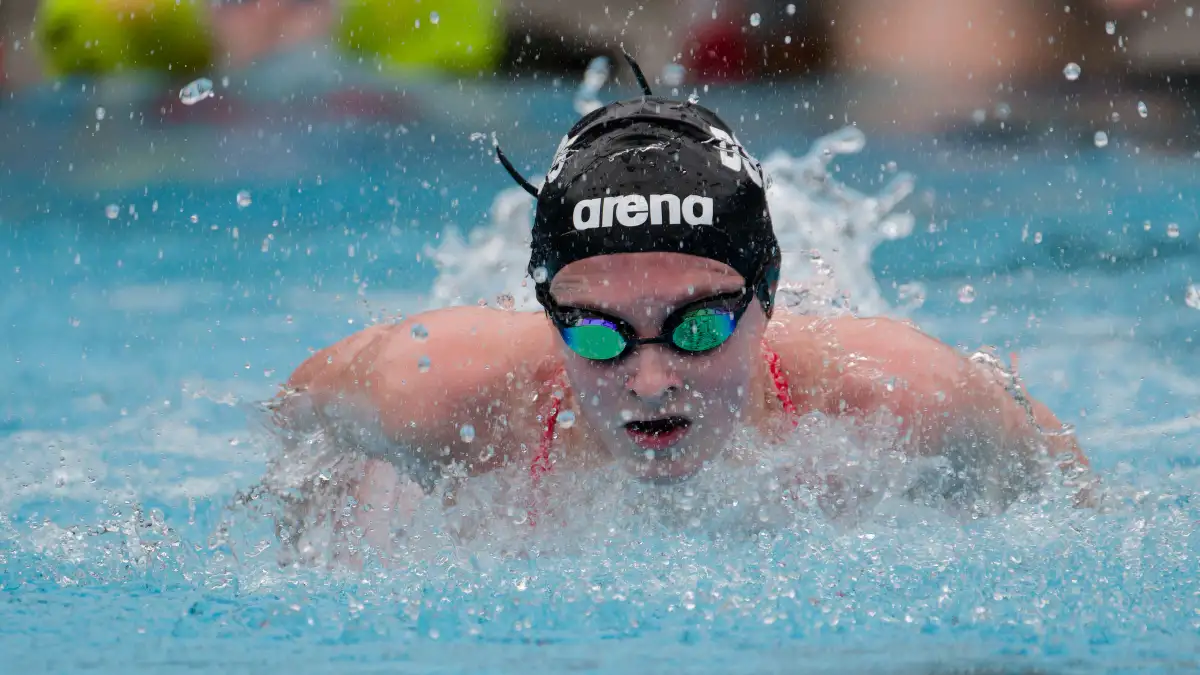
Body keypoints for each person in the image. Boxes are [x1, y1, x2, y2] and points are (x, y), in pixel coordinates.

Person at [274, 64, 1091, 557]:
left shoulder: (900, 396)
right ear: (549, 316)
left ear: (767, 302)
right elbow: (293, 427)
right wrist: (325, 537)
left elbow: (1070, 496)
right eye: (597, 334)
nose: (651, 379)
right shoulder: (430, 387)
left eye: (699, 327)